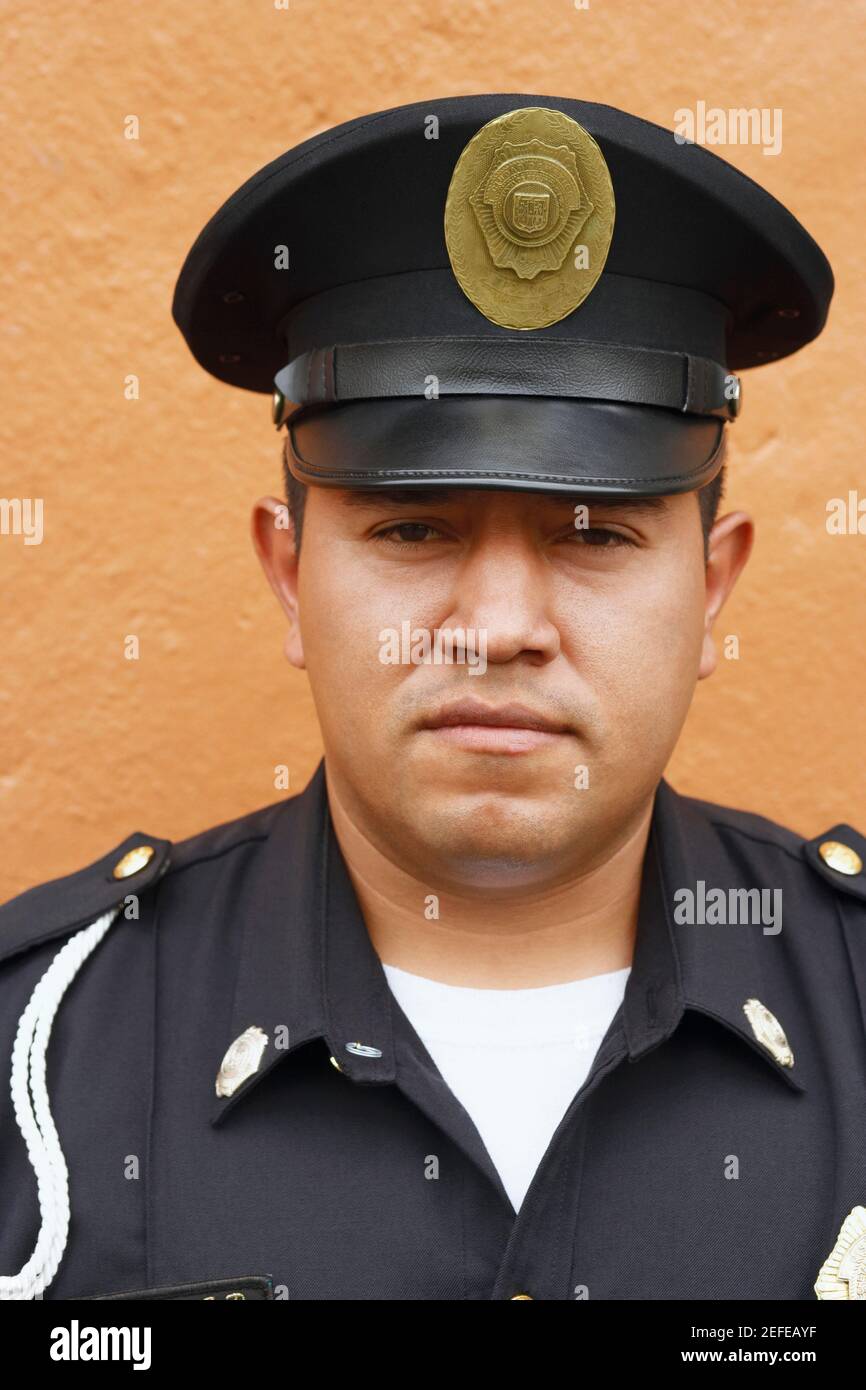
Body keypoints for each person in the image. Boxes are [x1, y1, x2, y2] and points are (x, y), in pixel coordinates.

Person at [2, 94, 864, 1303]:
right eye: (411, 525)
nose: (498, 629)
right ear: (290, 575)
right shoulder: (40, 1056)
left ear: (713, 588)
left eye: (594, 534)